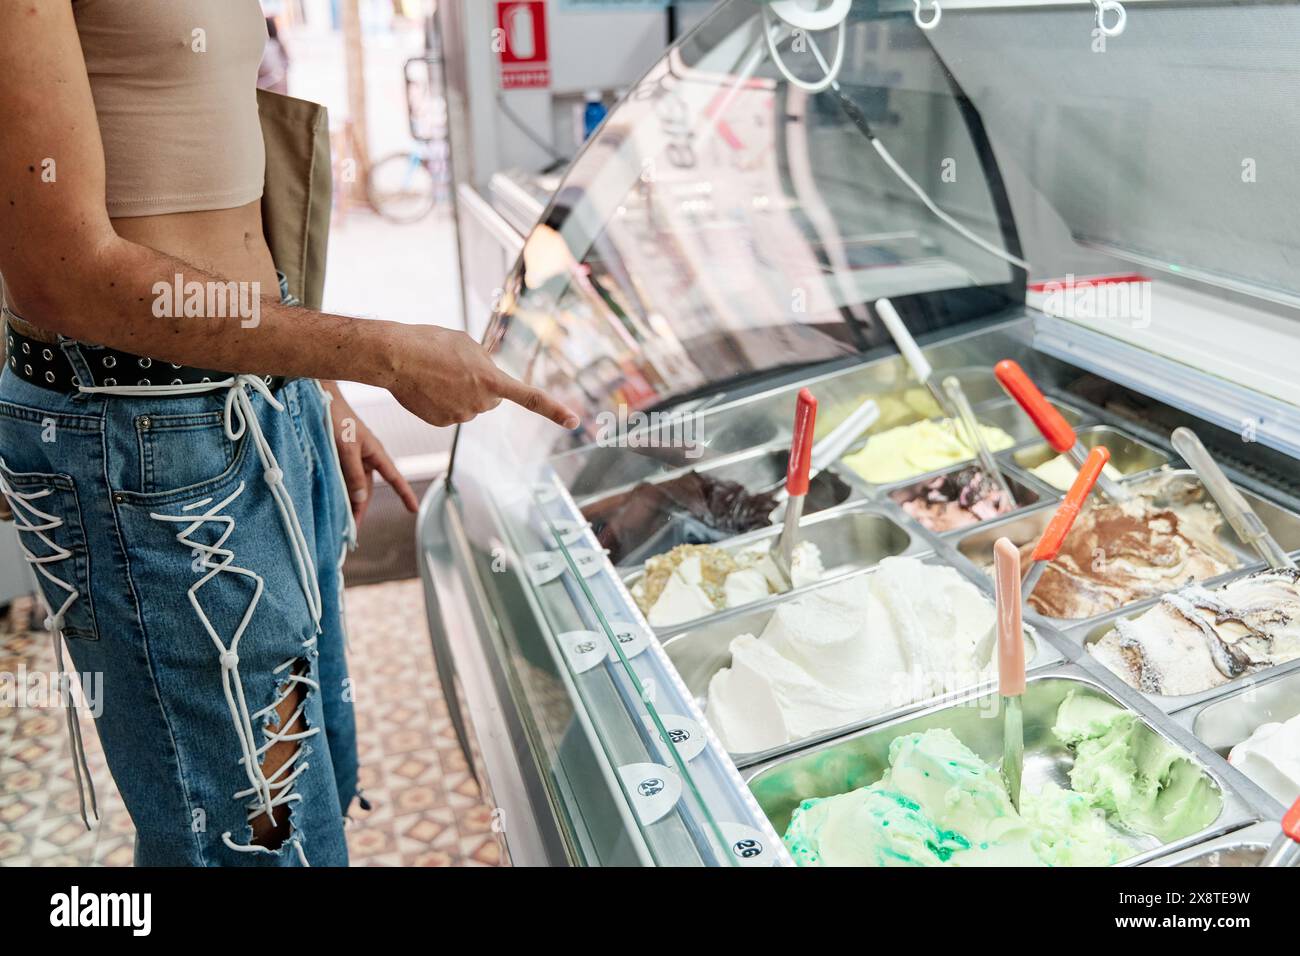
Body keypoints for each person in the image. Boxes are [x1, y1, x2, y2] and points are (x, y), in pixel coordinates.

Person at [0, 1, 578, 867]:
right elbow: (61, 274)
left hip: (263, 411)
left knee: (305, 790)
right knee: (250, 840)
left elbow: (225, 178)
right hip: (148, 442)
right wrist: (381, 352)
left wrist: (319, 379)